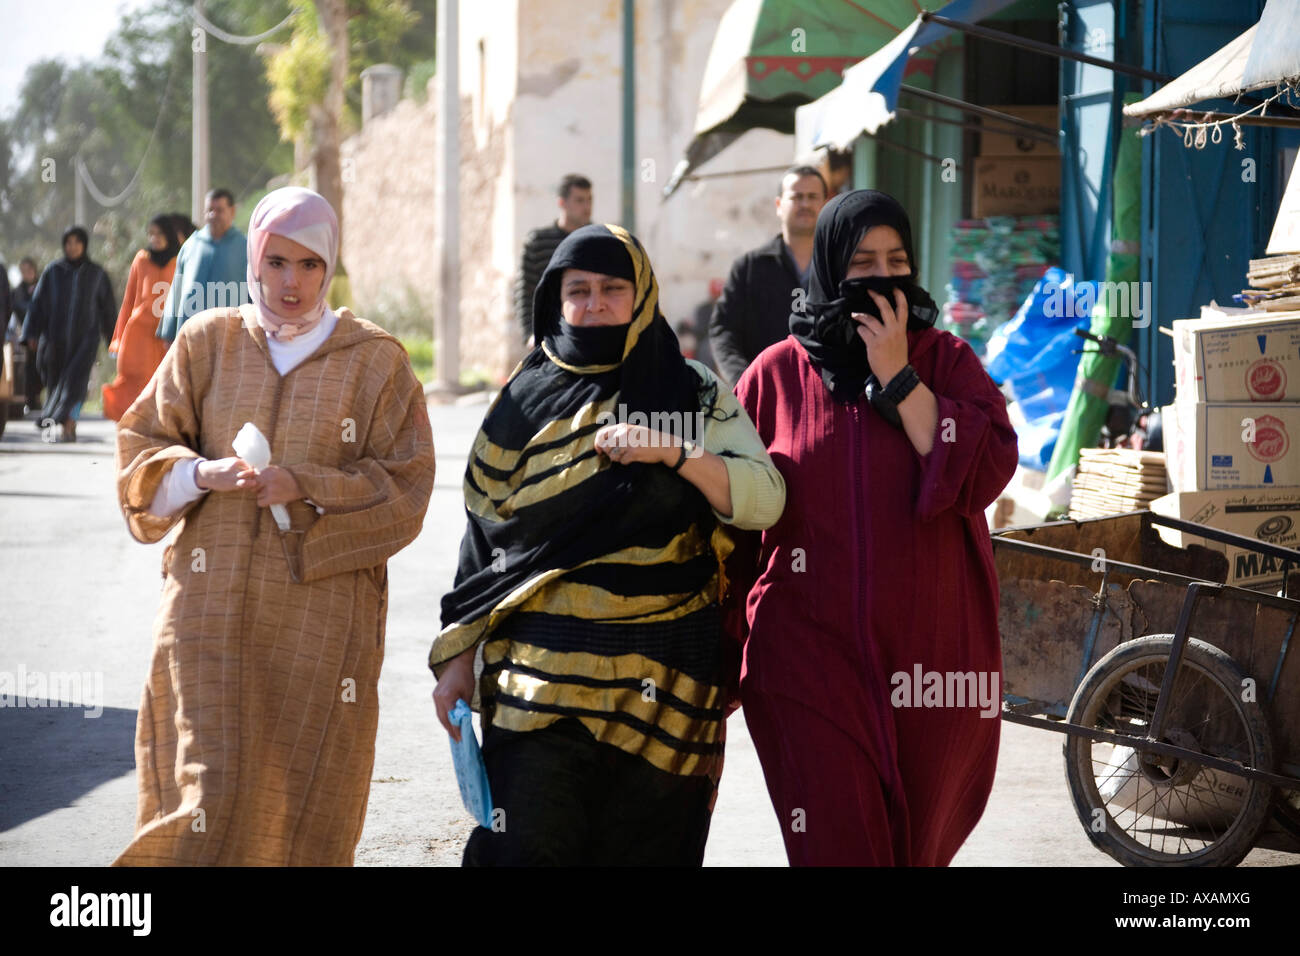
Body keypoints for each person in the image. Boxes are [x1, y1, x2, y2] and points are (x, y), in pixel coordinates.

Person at [430, 223, 785, 866]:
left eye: (613, 288)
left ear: (641, 293)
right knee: (524, 849)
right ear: (554, 300)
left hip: (667, 688)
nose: (595, 304)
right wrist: (458, 658)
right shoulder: (519, 401)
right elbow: (485, 540)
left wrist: (676, 452)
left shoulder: (691, 389)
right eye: (579, 290)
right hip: (539, 686)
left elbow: (765, 498)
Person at [113, 186, 436, 866]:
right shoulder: (208, 343)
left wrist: (307, 486)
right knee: (203, 792)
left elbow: (405, 487)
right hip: (207, 609)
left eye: (310, 265)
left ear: (330, 267)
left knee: (300, 803)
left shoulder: (375, 361)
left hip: (320, 625)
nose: (292, 282)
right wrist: (203, 475)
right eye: (278, 263)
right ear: (254, 263)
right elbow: (140, 444)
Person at [726, 190, 1018, 866]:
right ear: (830, 268)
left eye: (897, 261)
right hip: (804, 663)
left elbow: (991, 465)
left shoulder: (945, 360)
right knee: (840, 846)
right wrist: (715, 658)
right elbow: (732, 525)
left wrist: (899, 379)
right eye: (862, 264)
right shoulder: (774, 377)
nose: (882, 279)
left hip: (931, 666)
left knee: (912, 850)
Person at [709, 165, 828, 386]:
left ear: (825, 203)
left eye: (812, 197)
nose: (805, 204)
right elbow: (723, 332)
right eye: (797, 196)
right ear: (779, 205)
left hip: (829, 400)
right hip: (765, 401)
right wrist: (745, 382)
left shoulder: (840, 268)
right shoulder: (749, 268)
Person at [21, 228, 116, 442]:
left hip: (85, 342)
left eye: (77, 242)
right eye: (69, 243)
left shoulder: (96, 274)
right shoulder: (52, 271)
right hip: (54, 342)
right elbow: (37, 305)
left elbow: (108, 311)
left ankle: (70, 424)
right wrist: (31, 333)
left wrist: (113, 340)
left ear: (84, 245)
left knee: (76, 385)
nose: (72, 247)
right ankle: (60, 424)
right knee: (56, 384)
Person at [102, 215, 180, 421]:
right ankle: (135, 425)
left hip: (167, 336)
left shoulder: (180, 259)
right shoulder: (142, 259)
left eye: (159, 234)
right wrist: (117, 339)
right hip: (139, 334)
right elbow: (129, 300)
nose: (155, 239)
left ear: (169, 235)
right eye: (151, 234)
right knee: (135, 381)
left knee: (166, 384)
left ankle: (159, 428)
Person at [156, 188, 248, 342]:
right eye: (209, 210)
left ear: (232, 211)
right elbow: (177, 289)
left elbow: (255, 293)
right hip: (192, 338)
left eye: (219, 210)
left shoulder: (245, 247)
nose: (213, 215)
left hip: (232, 340)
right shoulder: (191, 246)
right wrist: (169, 332)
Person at [514, 173, 592, 345]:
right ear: (562, 203)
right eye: (579, 200)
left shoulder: (599, 241)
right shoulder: (538, 242)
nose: (587, 206)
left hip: (589, 331)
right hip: (549, 336)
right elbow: (525, 290)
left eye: (589, 199)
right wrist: (529, 334)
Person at [9, 258, 41, 414]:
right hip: (24, 336)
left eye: (30, 270)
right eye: (24, 271)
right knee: (26, 368)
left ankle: (38, 396)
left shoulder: (43, 287)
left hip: (42, 335)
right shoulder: (17, 292)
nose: (27, 274)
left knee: (41, 366)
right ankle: (29, 398)